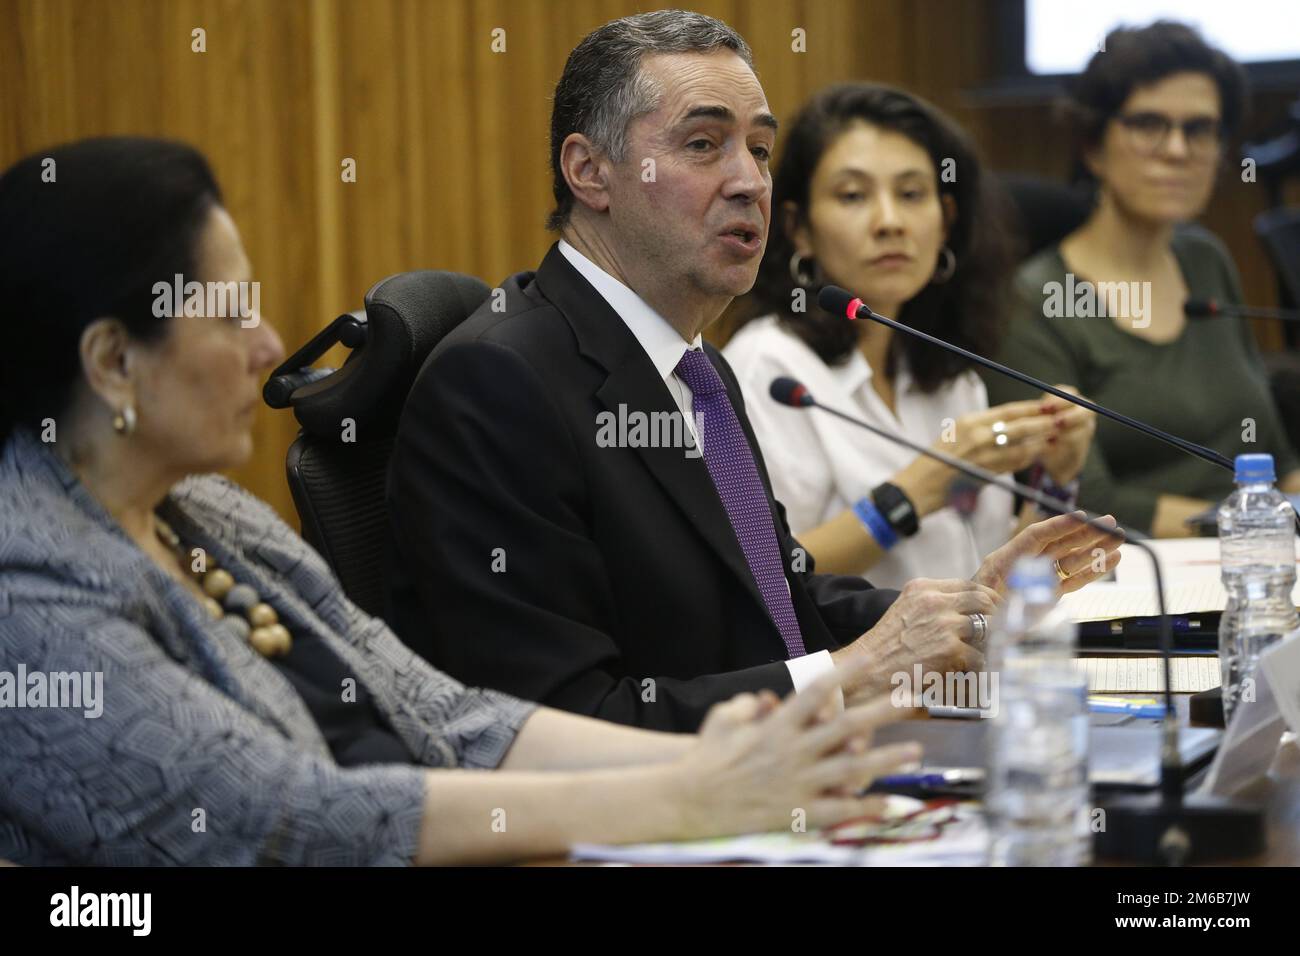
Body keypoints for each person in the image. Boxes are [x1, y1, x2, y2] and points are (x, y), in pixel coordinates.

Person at [0, 136, 923, 866]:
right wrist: (684, 799)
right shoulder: (28, 587)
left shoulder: (203, 512)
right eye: (232, 311)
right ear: (114, 361)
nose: (268, 342)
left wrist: (733, 771)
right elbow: (289, 823)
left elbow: (448, 717)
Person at [385, 10, 1121, 733]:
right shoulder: (497, 384)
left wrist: (967, 607)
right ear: (589, 172)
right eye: (704, 145)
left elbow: (777, 600)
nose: (749, 182)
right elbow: (559, 720)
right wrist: (853, 673)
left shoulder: (696, 368)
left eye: (761, 150)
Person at [723, 83, 1096, 590]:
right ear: (799, 229)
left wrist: (1056, 479)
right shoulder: (767, 368)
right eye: (853, 195)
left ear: (946, 221)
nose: (890, 222)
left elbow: (993, 580)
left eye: (912, 194)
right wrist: (915, 493)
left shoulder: (948, 371)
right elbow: (770, 579)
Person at [985, 20, 1300, 537]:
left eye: (1200, 129)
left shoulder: (1206, 259)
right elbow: (1086, 499)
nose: (1177, 149)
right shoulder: (1034, 301)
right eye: (1149, 124)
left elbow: (1275, 456)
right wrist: (1260, 522)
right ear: (1093, 146)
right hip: (1132, 581)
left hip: (1260, 560)